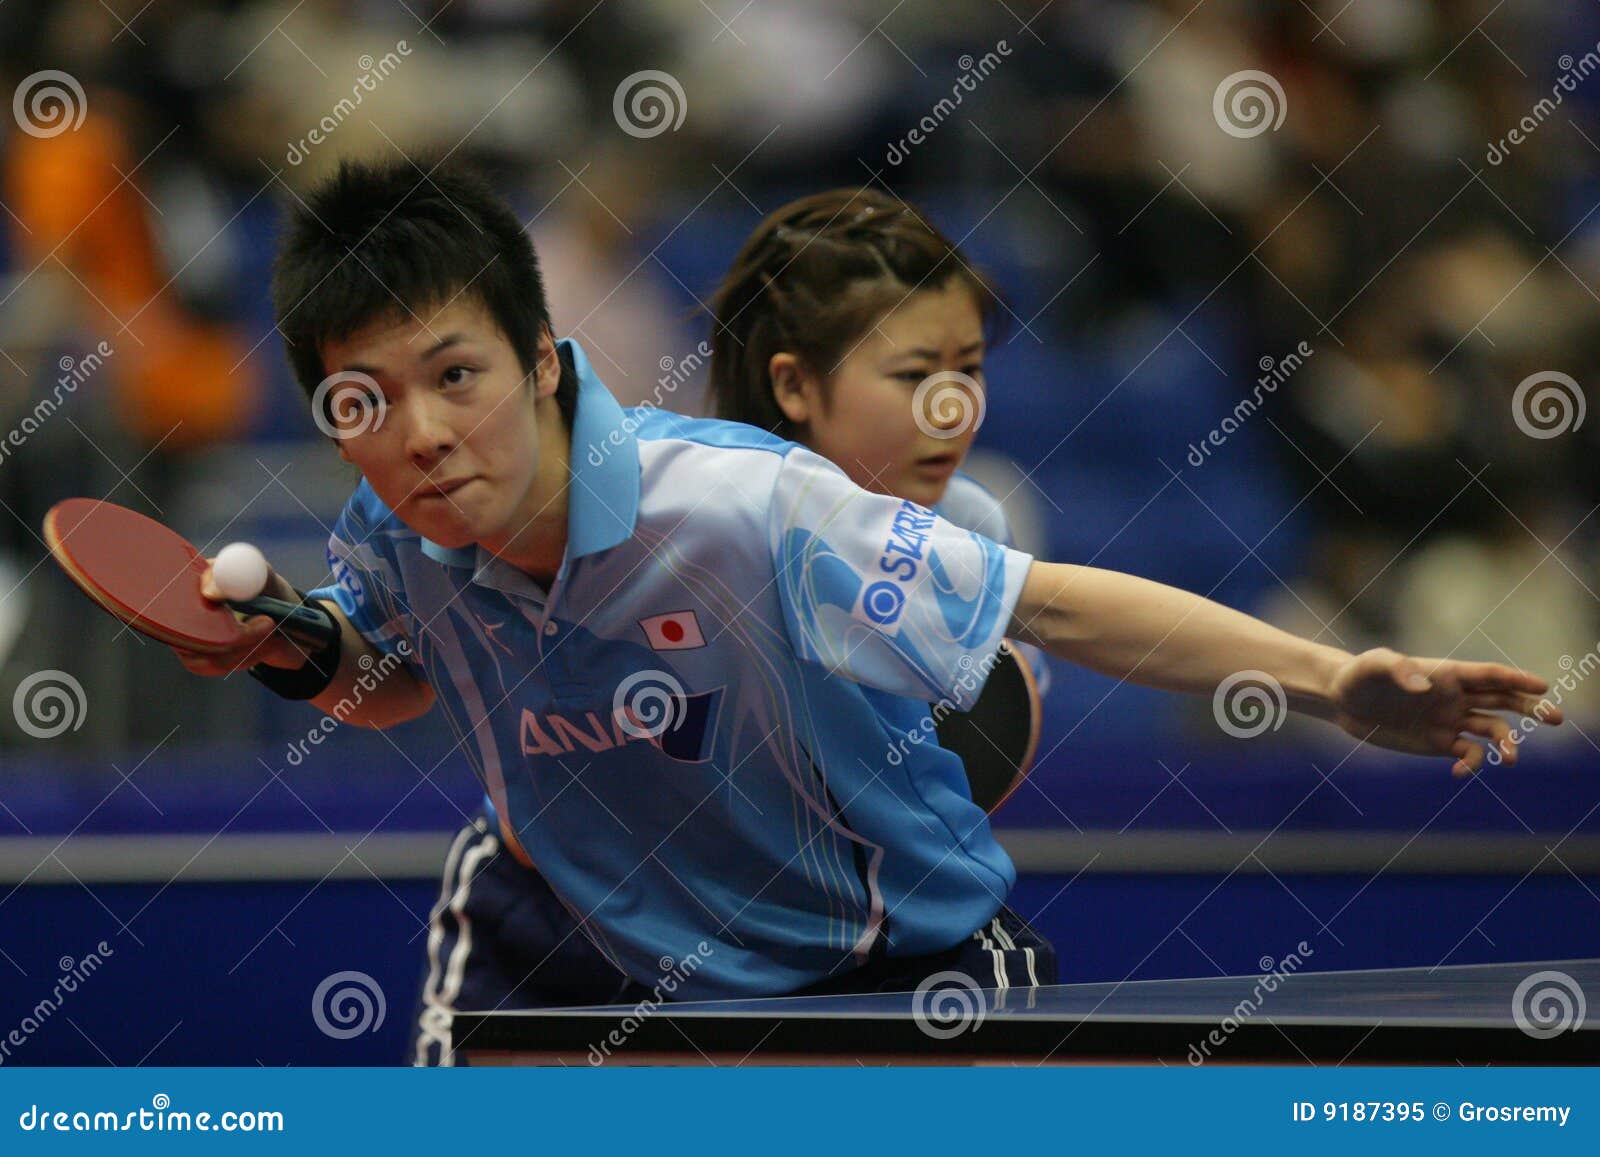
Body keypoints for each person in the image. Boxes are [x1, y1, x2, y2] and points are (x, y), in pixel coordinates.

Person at [170, 159, 1562, 1065]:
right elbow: (391, 668)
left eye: (454, 373)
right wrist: (305, 649)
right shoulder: (389, 521)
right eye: (361, 399)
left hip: (885, 967)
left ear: (542, 358)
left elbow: (1057, 603)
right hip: (574, 947)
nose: (414, 432)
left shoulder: (743, 508)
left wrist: (1331, 679)